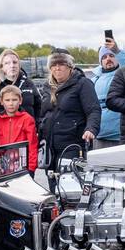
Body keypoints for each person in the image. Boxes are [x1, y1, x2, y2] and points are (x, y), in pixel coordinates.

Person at [40, 52, 100, 190]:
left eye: (61, 64)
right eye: (54, 65)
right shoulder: (47, 86)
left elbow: (93, 110)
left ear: (70, 67)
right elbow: (42, 113)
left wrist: (91, 128)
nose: (57, 68)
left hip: (72, 145)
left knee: (70, 188)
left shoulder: (83, 84)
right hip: (49, 146)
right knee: (53, 188)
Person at [0, 85, 39, 173]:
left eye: (14, 100)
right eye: (7, 100)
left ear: (20, 101)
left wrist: (31, 168)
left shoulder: (27, 119)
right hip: (3, 165)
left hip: (23, 165)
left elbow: (32, 145)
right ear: (1, 101)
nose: (11, 103)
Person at [0, 49, 43, 130]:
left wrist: (37, 126)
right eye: (7, 63)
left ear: (19, 65)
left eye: (15, 62)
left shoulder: (28, 83)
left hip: (28, 132)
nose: (12, 65)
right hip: (5, 134)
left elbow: (39, 106)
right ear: (1, 66)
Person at [90, 42, 125, 149]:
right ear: (100, 62)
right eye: (104, 57)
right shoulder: (93, 81)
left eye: (111, 55)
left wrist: (118, 51)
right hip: (100, 136)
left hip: (121, 136)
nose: (108, 59)